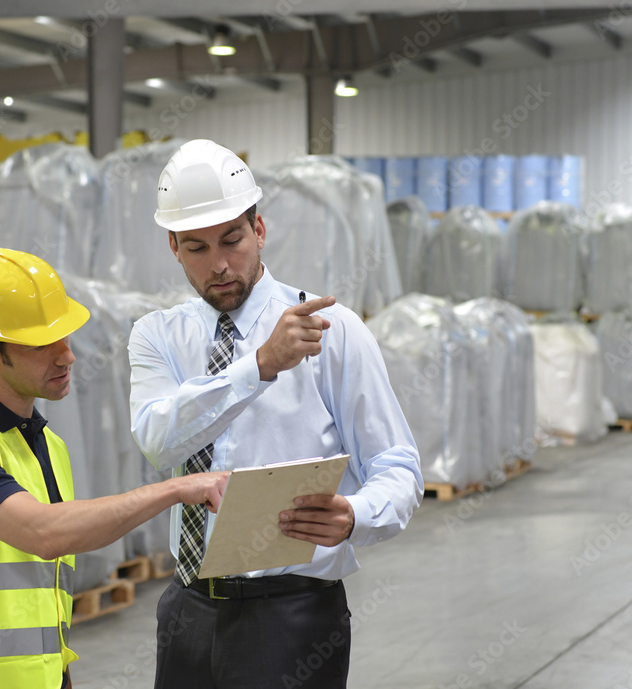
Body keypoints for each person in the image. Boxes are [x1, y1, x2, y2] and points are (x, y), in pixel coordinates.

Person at [128, 139, 423, 689]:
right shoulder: (157, 336)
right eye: (196, 247)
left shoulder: (332, 332)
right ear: (173, 247)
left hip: (293, 617)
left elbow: (398, 465)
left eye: (232, 240)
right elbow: (157, 440)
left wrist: (357, 514)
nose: (218, 264)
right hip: (186, 612)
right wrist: (257, 366)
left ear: (259, 230)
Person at [0, 247, 228, 689]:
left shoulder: (46, 444)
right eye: (40, 344)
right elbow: (43, 533)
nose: (67, 356)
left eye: (65, 337)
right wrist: (172, 490)